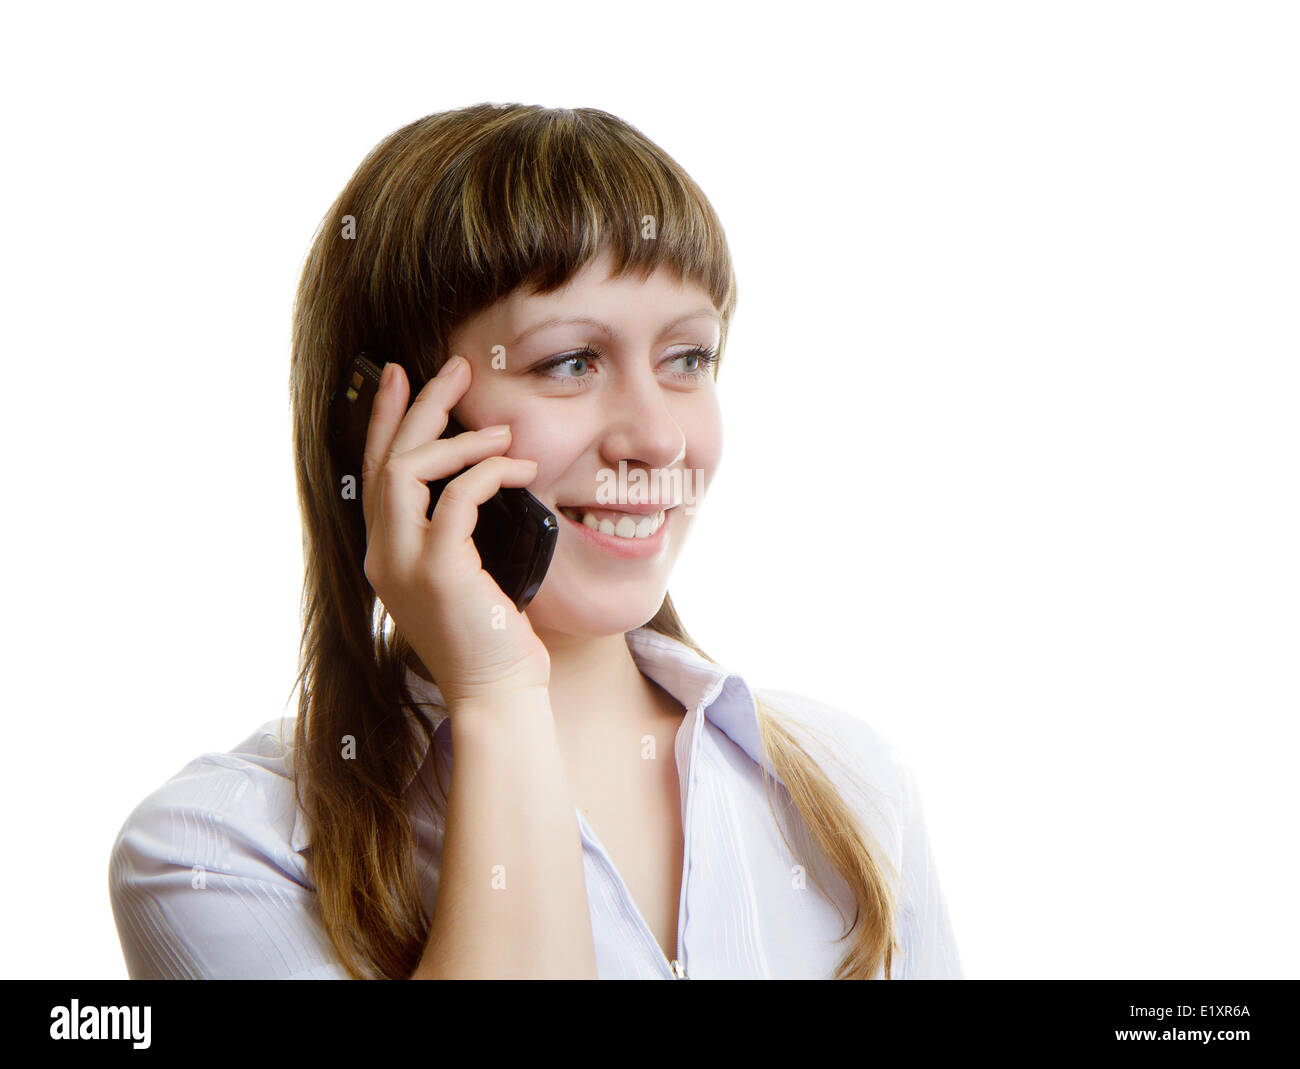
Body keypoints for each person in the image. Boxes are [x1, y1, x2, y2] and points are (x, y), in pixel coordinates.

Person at [108, 103, 963, 980]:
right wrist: (497, 693)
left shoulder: (856, 788)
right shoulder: (218, 851)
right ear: (393, 423)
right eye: (570, 362)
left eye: (688, 358)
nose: (659, 439)